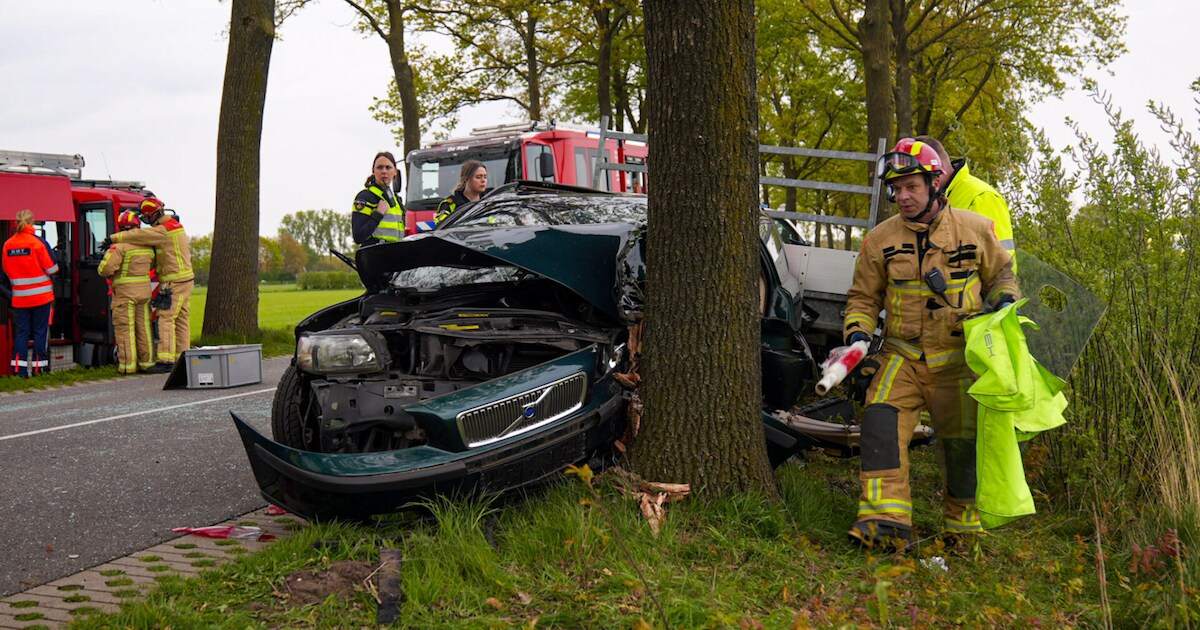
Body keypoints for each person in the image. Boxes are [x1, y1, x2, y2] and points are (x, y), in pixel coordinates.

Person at [842, 138, 1019, 551]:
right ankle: (884, 525)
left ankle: (963, 530)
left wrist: (1004, 301)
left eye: (911, 187)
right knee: (880, 427)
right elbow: (863, 299)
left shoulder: (976, 229)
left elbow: (1003, 277)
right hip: (901, 357)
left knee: (962, 448)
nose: (902, 196)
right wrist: (857, 337)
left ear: (935, 183)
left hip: (958, 362)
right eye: (896, 188)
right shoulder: (880, 239)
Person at [106, 197, 194, 373]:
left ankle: (166, 360)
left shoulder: (163, 230)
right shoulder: (173, 226)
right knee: (181, 319)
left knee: (165, 317)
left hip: (174, 280)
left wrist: (114, 238)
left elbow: (139, 235)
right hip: (184, 279)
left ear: (152, 215)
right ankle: (182, 356)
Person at [913, 135, 1016, 263]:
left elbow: (1001, 264)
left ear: (937, 168)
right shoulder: (935, 199)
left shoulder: (980, 196)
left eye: (915, 180)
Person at [98, 210, 156, 374]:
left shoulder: (119, 247)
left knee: (125, 329)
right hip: (144, 293)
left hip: (124, 294)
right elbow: (152, 265)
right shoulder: (147, 247)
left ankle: (127, 366)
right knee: (144, 328)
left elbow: (104, 269)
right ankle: (147, 362)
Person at [2, 210, 58, 377]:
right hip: (42, 297)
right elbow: (53, 268)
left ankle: (19, 370)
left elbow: (6, 271)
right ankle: (39, 369)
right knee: (40, 332)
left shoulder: (8, 245)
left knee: (22, 333)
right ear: (31, 223)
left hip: (20, 298)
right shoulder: (38, 243)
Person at [351, 151, 405, 245]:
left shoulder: (397, 200)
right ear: (373, 171)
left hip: (396, 254)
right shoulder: (365, 197)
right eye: (379, 167)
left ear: (395, 172)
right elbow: (358, 237)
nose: (384, 171)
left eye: (388, 167)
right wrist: (378, 214)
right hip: (375, 255)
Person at [434, 160, 488, 225]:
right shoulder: (449, 205)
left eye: (485, 177)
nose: (483, 180)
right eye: (478, 177)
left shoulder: (489, 203)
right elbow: (441, 227)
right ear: (466, 179)